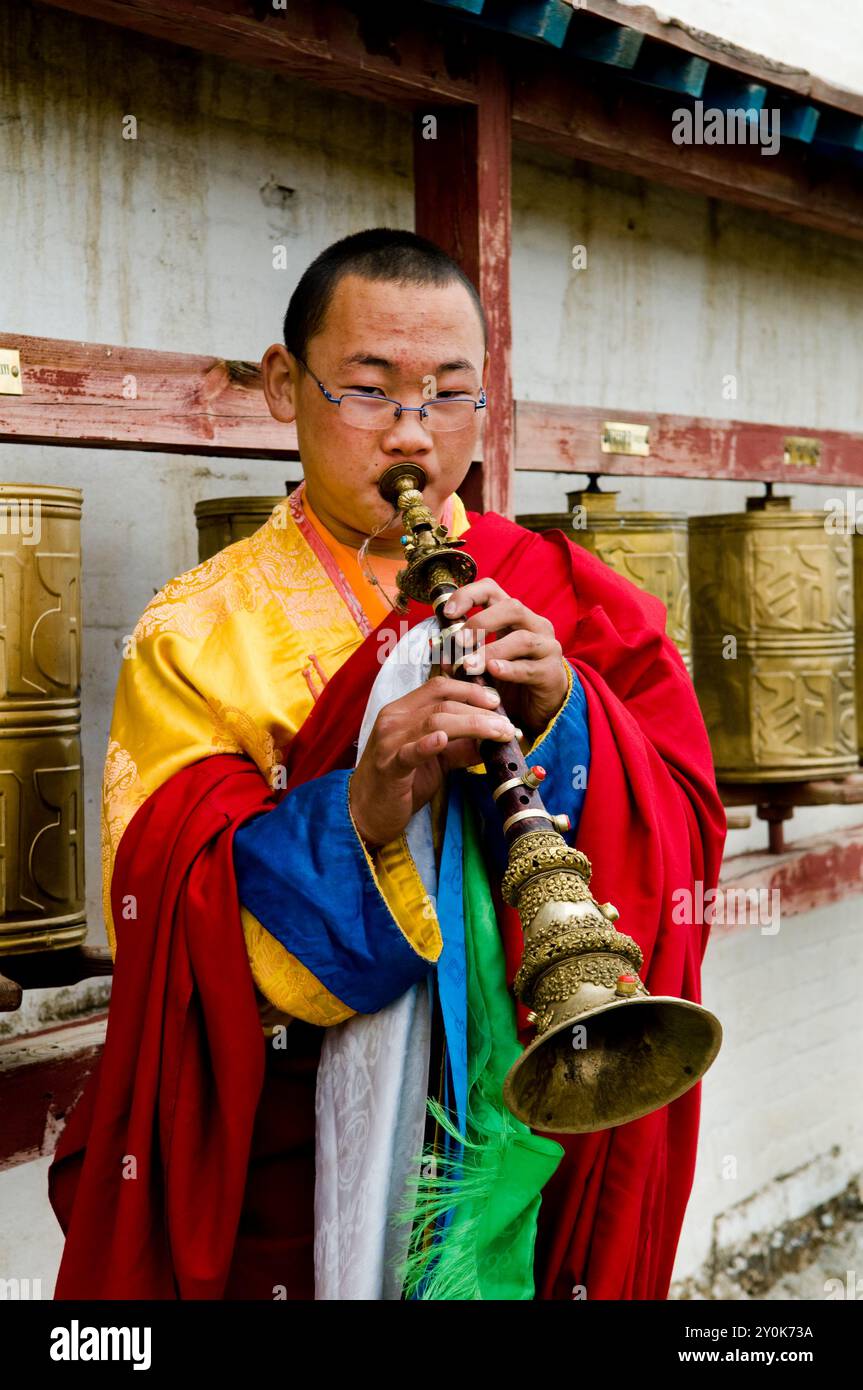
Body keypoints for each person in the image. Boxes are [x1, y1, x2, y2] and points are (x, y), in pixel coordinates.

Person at [48, 227, 725, 1301]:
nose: (412, 440)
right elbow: (168, 910)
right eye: (368, 392)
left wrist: (566, 716)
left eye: (449, 397)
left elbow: (680, 824)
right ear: (285, 384)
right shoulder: (196, 630)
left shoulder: (550, 592)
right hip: (296, 1153)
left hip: (523, 1124)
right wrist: (356, 810)